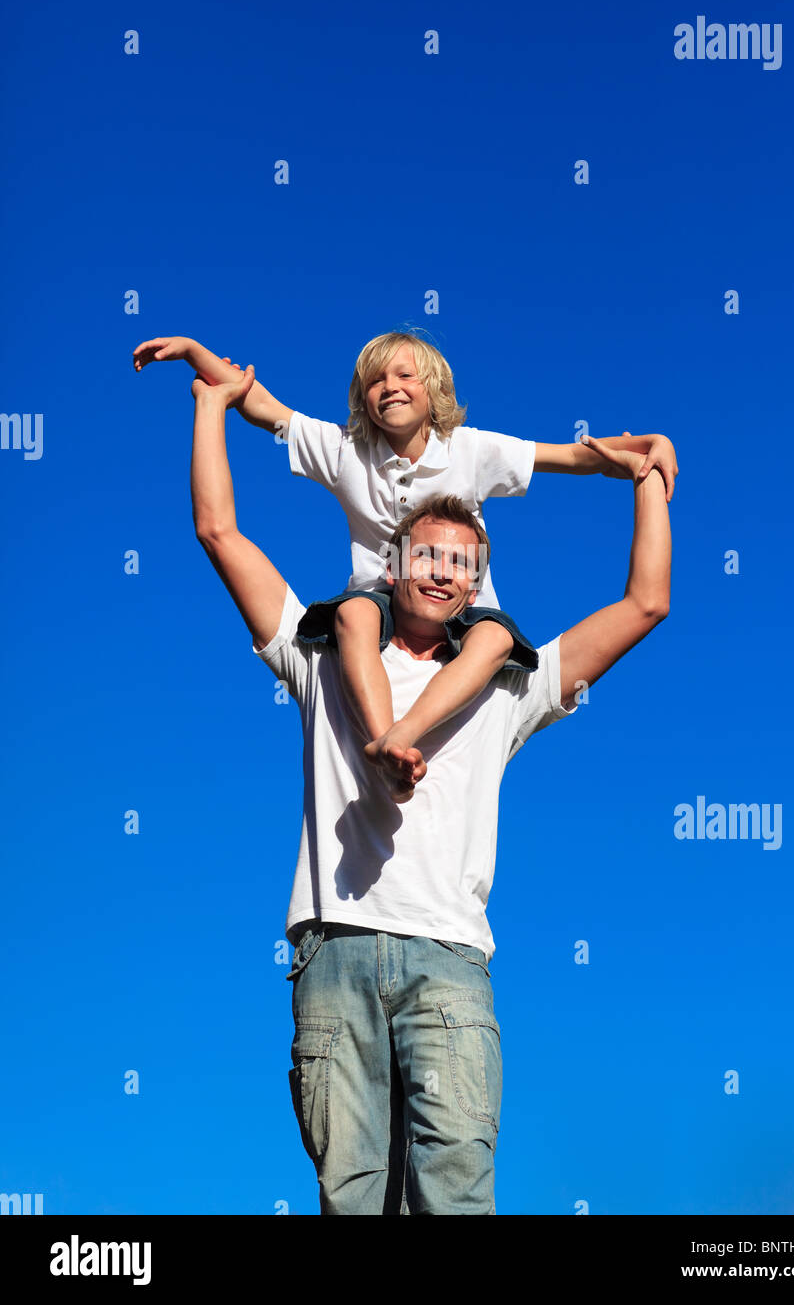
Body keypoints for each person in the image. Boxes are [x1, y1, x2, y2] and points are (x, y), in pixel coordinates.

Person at [187, 361, 673, 1215]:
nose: (443, 571)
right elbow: (220, 533)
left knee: (452, 1198)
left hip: (448, 960)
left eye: (461, 562)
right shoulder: (322, 661)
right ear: (395, 561)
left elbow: (643, 605)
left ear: (475, 583)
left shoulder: (507, 687)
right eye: (427, 555)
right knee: (353, 1199)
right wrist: (211, 408)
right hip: (333, 953)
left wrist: (648, 481)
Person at [135, 329, 677, 801]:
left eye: (404, 376)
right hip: (381, 597)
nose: (389, 386)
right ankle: (384, 740)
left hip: (466, 612)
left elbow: (571, 456)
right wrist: (193, 353)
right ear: (361, 398)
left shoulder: (468, 449)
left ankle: (407, 731)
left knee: (496, 641)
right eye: (374, 381)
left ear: (435, 391)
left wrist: (649, 448)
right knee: (353, 617)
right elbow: (260, 407)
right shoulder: (345, 448)